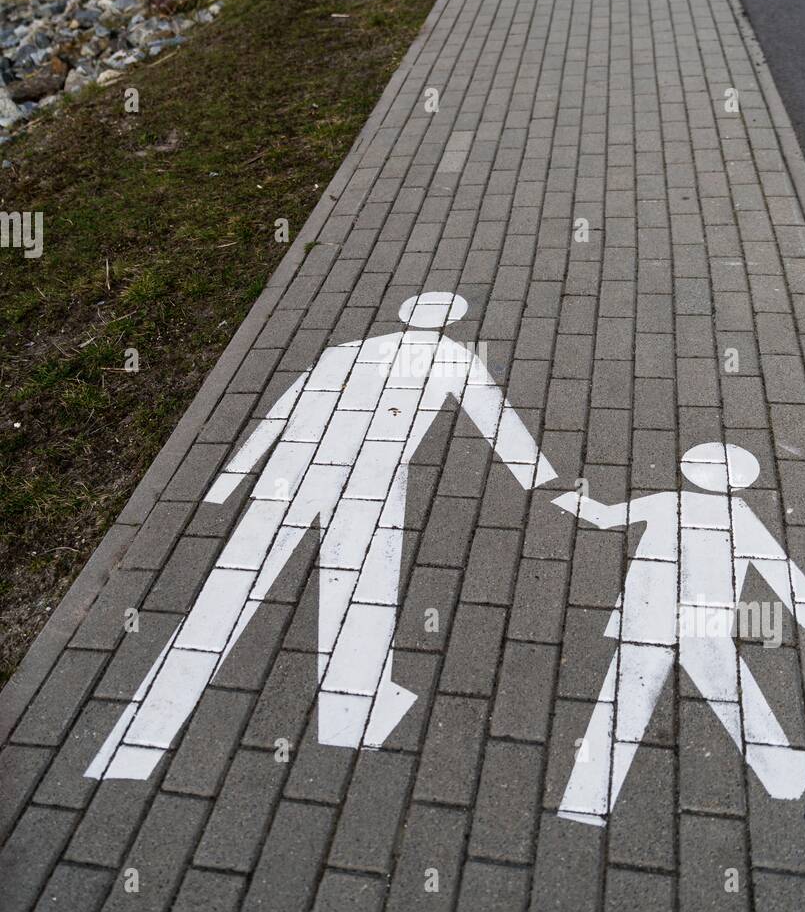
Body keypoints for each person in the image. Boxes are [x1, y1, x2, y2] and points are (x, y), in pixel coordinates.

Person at [88, 291, 557, 780]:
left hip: (288, 473)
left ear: (404, 315)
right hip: (372, 479)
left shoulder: (345, 350)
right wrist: (539, 481)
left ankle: (139, 739)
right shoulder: (453, 356)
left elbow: (284, 408)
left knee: (228, 589)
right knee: (360, 597)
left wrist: (232, 477)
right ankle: (347, 719)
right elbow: (493, 415)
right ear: (449, 322)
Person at [553, 443, 805, 825]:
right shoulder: (740, 514)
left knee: (624, 699)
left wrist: (574, 499)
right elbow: (777, 567)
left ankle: (587, 796)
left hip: (648, 612)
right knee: (731, 693)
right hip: (705, 621)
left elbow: (606, 518)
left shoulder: (670, 501)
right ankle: (783, 770)